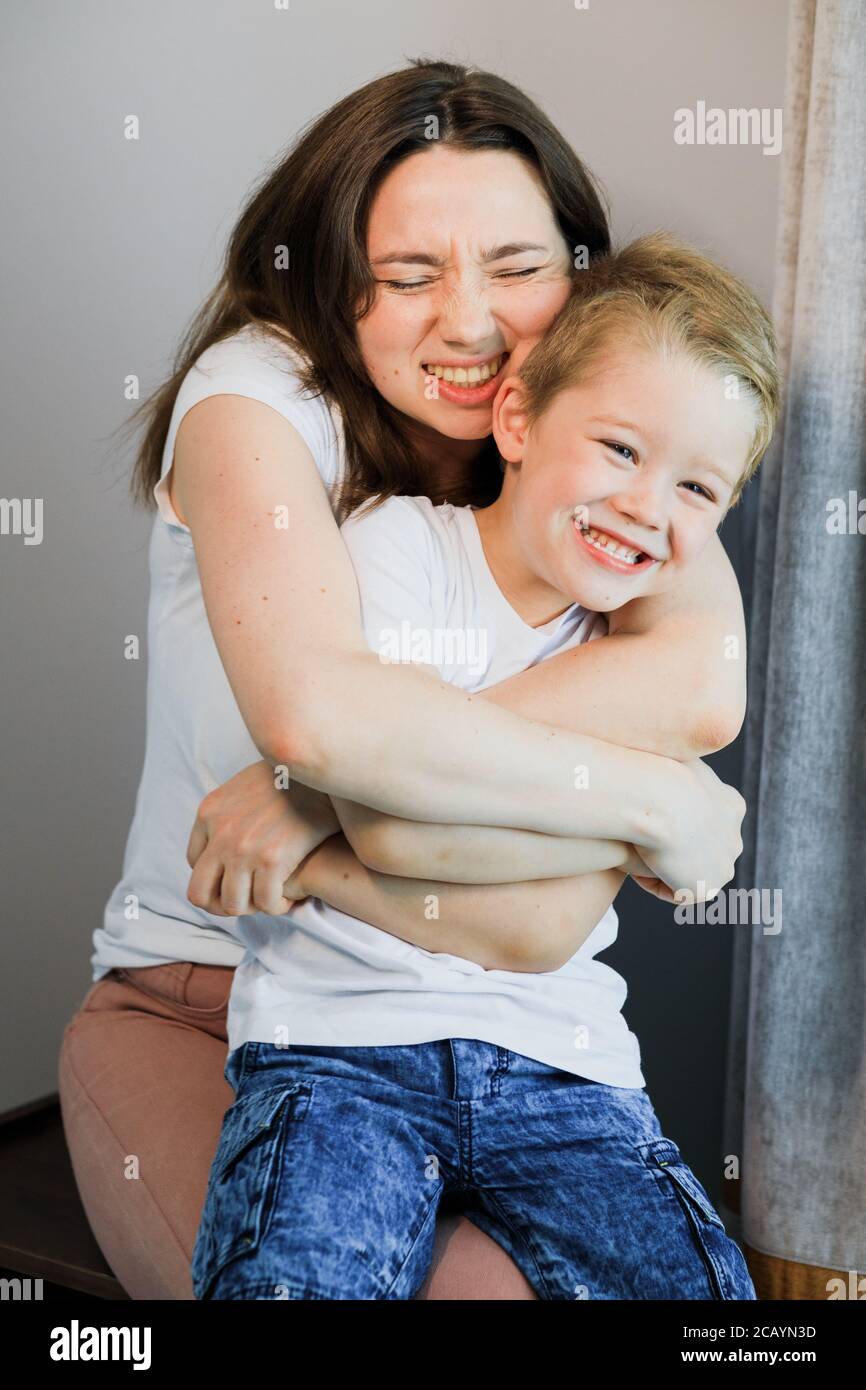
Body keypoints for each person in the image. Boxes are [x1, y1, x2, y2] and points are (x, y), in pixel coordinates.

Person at [58, 60, 748, 1301]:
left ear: (582, 276)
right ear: (328, 282)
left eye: (518, 267)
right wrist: (655, 804)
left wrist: (320, 798)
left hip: (508, 1048)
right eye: (409, 274)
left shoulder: (608, 457)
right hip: (217, 1010)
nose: (471, 322)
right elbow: (321, 716)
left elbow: (699, 678)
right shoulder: (257, 399)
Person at [188, 232, 778, 1300]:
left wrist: (327, 839)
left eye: (699, 489)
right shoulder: (395, 549)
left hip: (566, 1068)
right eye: (617, 450)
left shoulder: (632, 659)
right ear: (516, 419)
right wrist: (632, 810)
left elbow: (543, 926)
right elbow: (392, 828)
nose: (648, 507)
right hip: (338, 1055)